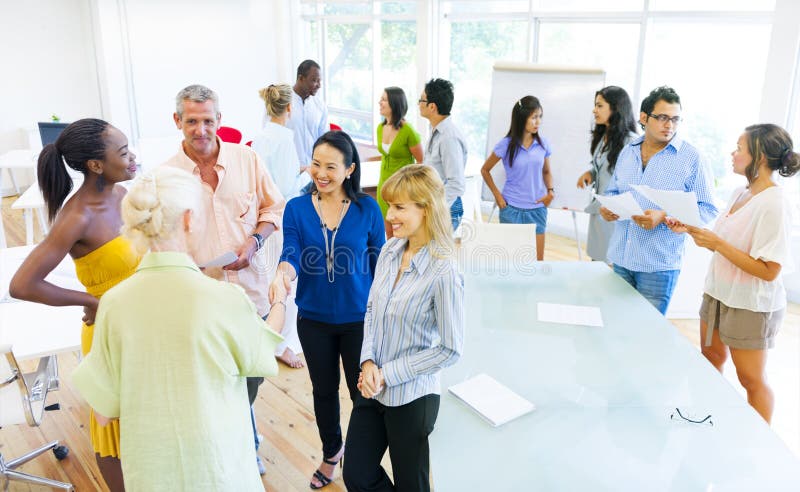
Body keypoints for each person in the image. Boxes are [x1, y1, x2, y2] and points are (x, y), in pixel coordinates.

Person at [72, 166, 287, 491]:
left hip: (152, 475)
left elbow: (104, 413)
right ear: (189, 219)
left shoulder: (114, 304)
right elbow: (262, 355)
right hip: (219, 473)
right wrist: (280, 299)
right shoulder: (224, 298)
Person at [161, 84, 285, 475]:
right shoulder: (165, 177)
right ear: (177, 121)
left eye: (207, 120)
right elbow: (162, 239)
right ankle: (240, 444)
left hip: (251, 292)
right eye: (191, 121)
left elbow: (273, 208)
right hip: (201, 298)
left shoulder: (247, 159)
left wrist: (255, 241)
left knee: (251, 373)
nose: (200, 130)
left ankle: (241, 429)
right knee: (214, 379)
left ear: (219, 120)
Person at [9, 118, 139, 491]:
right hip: (109, 335)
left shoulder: (121, 194)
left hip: (140, 323)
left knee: (143, 419)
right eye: (123, 152)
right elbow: (22, 284)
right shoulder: (77, 216)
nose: (132, 157)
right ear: (96, 165)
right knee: (112, 430)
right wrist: (90, 300)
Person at [269, 130, 385, 489]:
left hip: (359, 320)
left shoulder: (367, 209)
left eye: (331, 167)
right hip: (313, 319)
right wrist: (283, 274)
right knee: (323, 391)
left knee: (360, 394)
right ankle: (332, 452)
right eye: (315, 164)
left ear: (349, 169)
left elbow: (381, 265)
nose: (320, 173)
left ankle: (360, 460)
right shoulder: (297, 208)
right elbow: (291, 253)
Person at [666, 124, 799, 423]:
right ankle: (706, 420)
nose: (732, 153)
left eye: (739, 148)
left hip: (750, 304)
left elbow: (769, 271)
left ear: (759, 156)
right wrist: (691, 229)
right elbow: (726, 244)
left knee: (751, 379)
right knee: (711, 359)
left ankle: (759, 441)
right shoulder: (741, 192)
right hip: (718, 293)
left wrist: (717, 244)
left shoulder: (775, 203)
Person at [343, 164, 464, 492]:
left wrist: (388, 374)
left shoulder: (444, 272)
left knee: (412, 485)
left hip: (413, 396)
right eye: (389, 206)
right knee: (356, 474)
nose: (389, 215)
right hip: (373, 386)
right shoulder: (389, 251)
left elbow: (450, 349)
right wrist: (368, 362)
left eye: (399, 207)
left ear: (425, 209)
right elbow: (371, 310)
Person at [599, 86, 718, 314]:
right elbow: (613, 191)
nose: (669, 125)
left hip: (658, 267)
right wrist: (609, 207)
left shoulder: (692, 158)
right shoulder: (627, 151)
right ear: (644, 118)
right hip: (621, 258)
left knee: (648, 330)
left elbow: (708, 208)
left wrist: (665, 216)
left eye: (675, 119)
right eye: (663, 117)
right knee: (617, 323)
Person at [252, 82, 308, 368]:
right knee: (287, 280)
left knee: (270, 277)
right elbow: (285, 189)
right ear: (289, 108)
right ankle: (283, 344)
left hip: (264, 216)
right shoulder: (285, 140)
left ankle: (273, 338)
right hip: (283, 217)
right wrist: (307, 174)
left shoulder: (261, 137)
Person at [482, 95, 553, 261]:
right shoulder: (505, 144)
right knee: (511, 262)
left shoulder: (543, 144)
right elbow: (485, 170)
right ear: (522, 118)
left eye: (540, 117)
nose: (538, 122)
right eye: (534, 117)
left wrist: (551, 191)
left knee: (537, 263)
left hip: (537, 209)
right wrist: (497, 196)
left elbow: (546, 172)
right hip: (511, 209)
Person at [576, 86, 638, 263]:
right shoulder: (604, 136)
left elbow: (633, 182)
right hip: (600, 211)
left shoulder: (631, 142)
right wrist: (591, 173)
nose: (594, 110)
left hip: (616, 215)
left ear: (616, 107)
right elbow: (603, 166)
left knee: (611, 263)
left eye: (599, 106)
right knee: (597, 260)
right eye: (595, 105)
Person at [367, 86, 424, 237]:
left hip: (402, 188)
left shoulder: (408, 131)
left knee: (403, 233)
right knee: (389, 232)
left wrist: (412, 187)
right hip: (384, 185)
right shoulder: (380, 128)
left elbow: (421, 161)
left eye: (384, 100)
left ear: (394, 103)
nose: (380, 102)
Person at [418, 78, 468, 230]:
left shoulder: (448, 137)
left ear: (432, 106)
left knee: (436, 246)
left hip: (445, 208)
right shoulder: (436, 130)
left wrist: (433, 207)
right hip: (433, 203)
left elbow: (456, 184)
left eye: (421, 100)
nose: (418, 104)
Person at [286, 59, 329, 167]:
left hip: (313, 169)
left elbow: (325, 140)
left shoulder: (320, 106)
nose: (319, 85)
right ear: (301, 78)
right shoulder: (281, 102)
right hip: (289, 168)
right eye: (314, 80)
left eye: (320, 81)